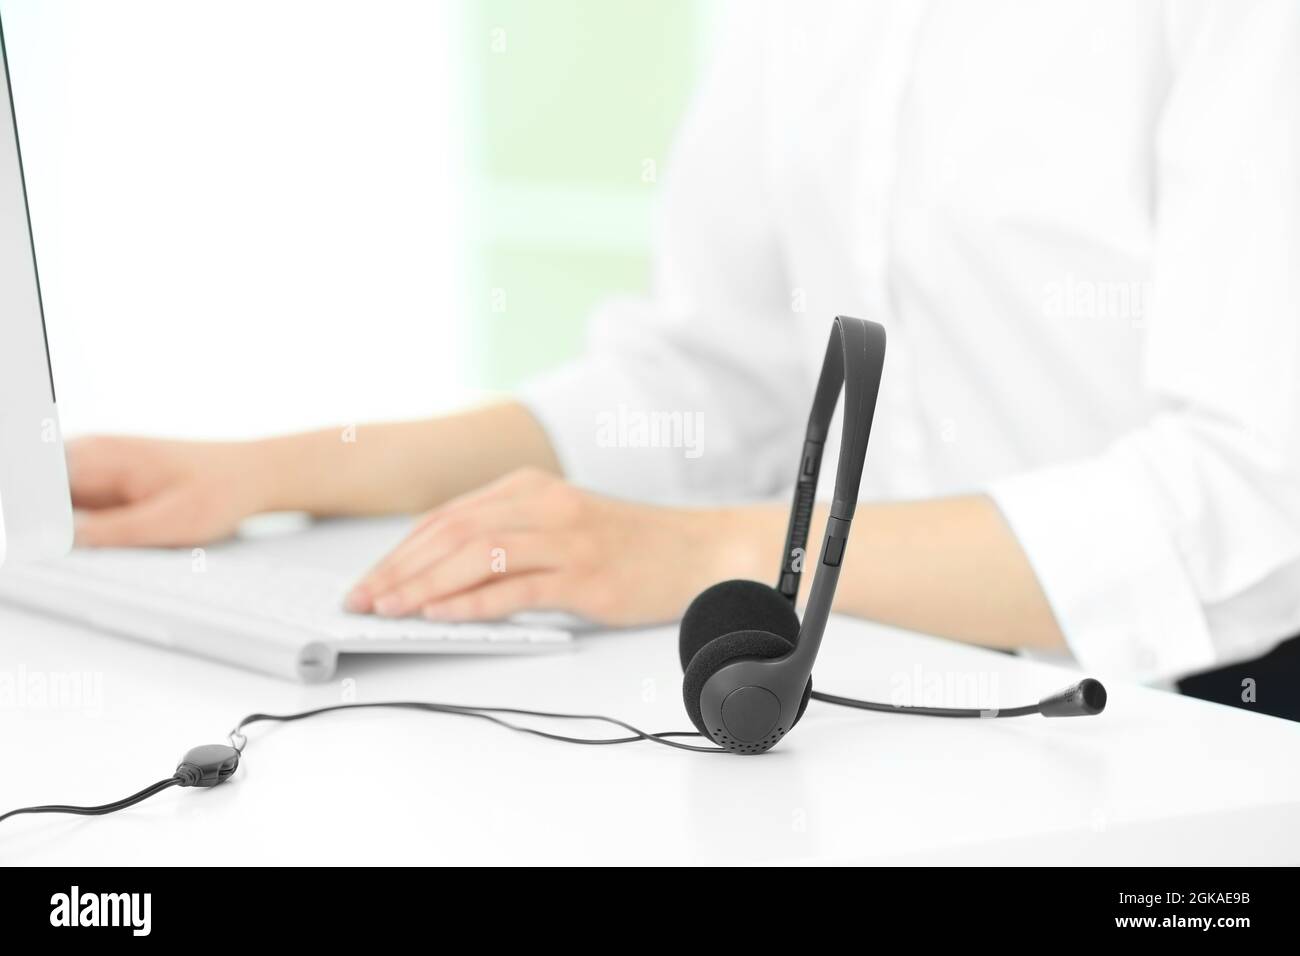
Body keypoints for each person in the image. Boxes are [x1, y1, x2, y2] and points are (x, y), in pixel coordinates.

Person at [68, 1, 1300, 711]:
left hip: (1207, 715)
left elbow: (1259, 502)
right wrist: (276, 472)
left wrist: (713, 556)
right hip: (898, 694)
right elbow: (712, 380)